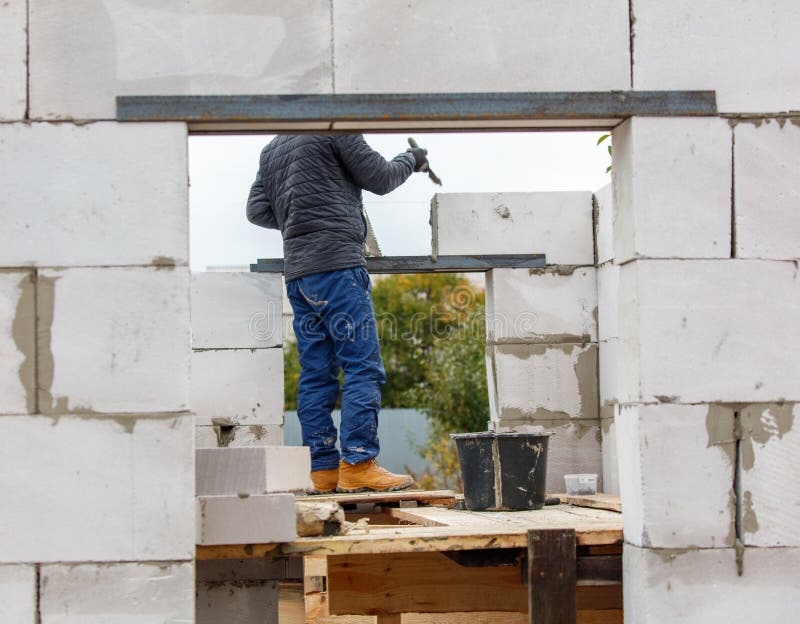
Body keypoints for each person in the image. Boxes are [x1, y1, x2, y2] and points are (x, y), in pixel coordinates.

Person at [246, 135, 429, 493]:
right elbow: (381, 178)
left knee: (316, 374)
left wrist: (300, 216)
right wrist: (412, 158)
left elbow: (257, 210)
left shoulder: (272, 148)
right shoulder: (334, 126)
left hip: (299, 276)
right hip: (337, 268)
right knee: (363, 367)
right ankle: (358, 463)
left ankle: (323, 469)